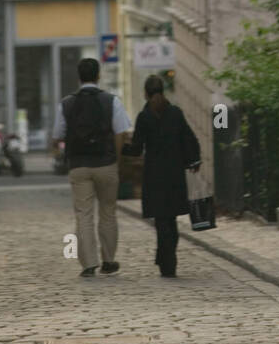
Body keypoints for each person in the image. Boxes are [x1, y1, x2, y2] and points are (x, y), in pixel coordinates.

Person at [53, 57, 133, 278]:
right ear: (98, 76)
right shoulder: (111, 101)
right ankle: (108, 260)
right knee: (108, 212)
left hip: (78, 166)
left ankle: (88, 264)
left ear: (79, 77)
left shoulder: (66, 103)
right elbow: (121, 133)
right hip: (105, 163)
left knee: (84, 215)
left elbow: (57, 135)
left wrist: (62, 154)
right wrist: (114, 159)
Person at [122, 75, 201, 277]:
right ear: (163, 91)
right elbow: (189, 139)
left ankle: (165, 259)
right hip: (174, 174)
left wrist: (121, 149)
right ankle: (168, 258)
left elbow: (137, 149)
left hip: (154, 175)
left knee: (161, 221)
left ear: (145, 93)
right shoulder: (175, 113)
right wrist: (193, 161)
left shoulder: (145, 116)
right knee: (171, 220)